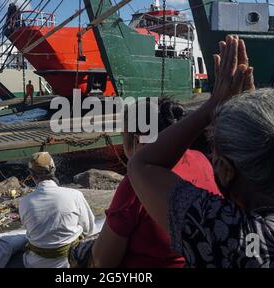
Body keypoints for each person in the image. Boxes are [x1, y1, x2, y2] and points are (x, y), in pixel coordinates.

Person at [128, 35, 274, 267]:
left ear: (224, 169)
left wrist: (213, 105)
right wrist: (253, 110)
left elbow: (142, 165)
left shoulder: (235, 238)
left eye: (214, 156)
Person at [85, 98, 220, 268]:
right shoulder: (200, 159)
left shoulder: (137, 182)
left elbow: (102, 262)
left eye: (123, 135)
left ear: (137, 140)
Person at [19, 152, 95, 268]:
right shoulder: (75, 195)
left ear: (32, 175)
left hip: (36, 264)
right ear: (53, 170)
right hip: (69, 263)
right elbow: (89, 230)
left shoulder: (24, 202)